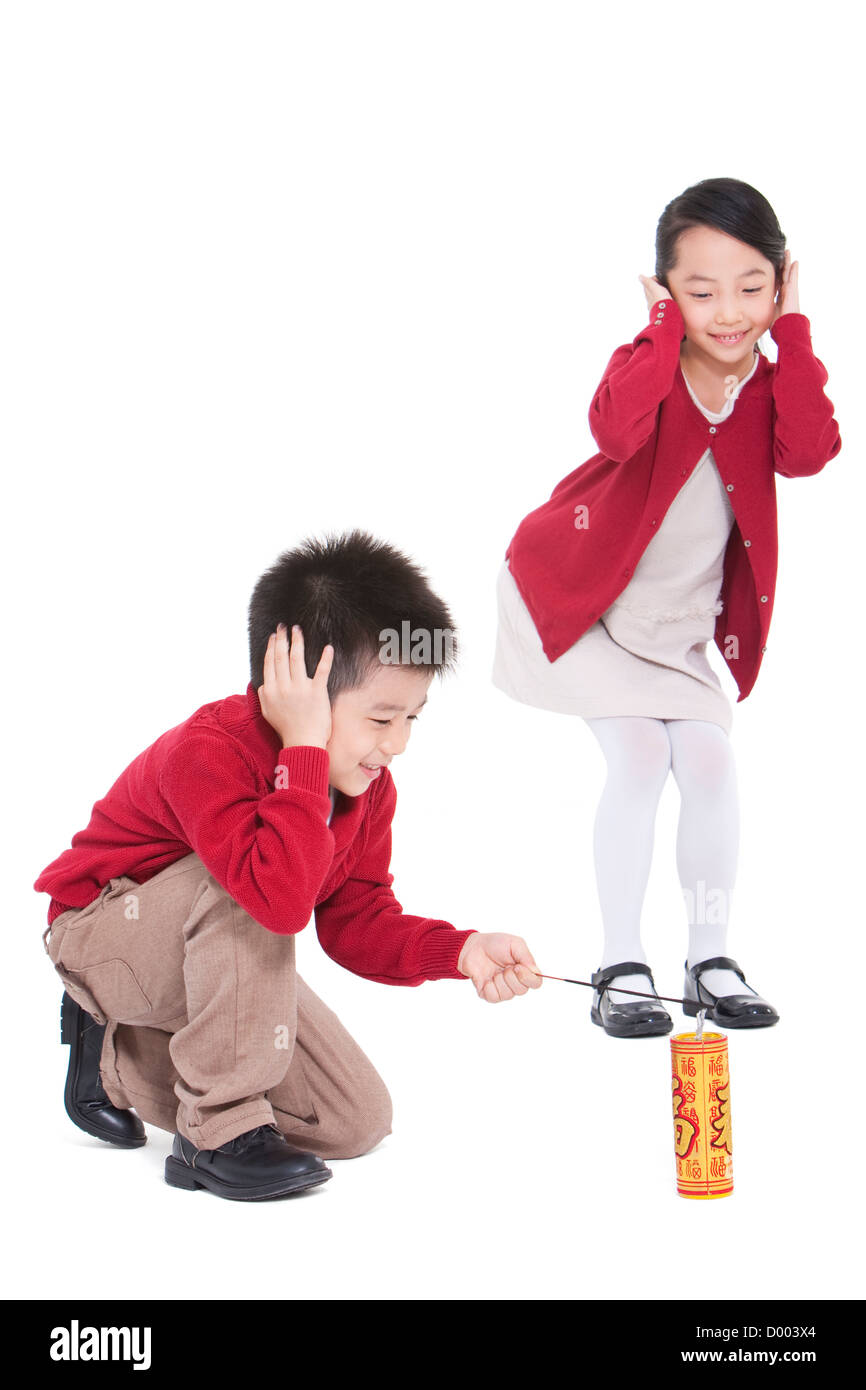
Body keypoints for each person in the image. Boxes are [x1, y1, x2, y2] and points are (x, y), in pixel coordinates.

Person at [35, 530, 541, 1199]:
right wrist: (301, 747)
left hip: (217, 952)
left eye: (413, 718)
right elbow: (275, 900)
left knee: (355, 1117)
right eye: (382, 717)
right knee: (252, 883)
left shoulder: (367, 787)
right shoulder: (211, 751)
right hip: (101, 935)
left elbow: (356, 919)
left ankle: (115, 1066)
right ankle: (214, 1133)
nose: (398, 744)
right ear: (294, 684)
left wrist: (462, 951)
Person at [493, 177, 841, 1038]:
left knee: (713, 764)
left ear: (782, 284)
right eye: (699, 290)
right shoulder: (645, 367)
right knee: (642, 757)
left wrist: (791, 333)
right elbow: (614, 431)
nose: (729, 311)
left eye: (753, 288)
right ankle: (622, 965)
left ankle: (710, 958)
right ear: (665, 291)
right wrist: (657, 330)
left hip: (673, 633)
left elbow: (810, 451)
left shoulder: (769, 382)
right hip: (578, 605)